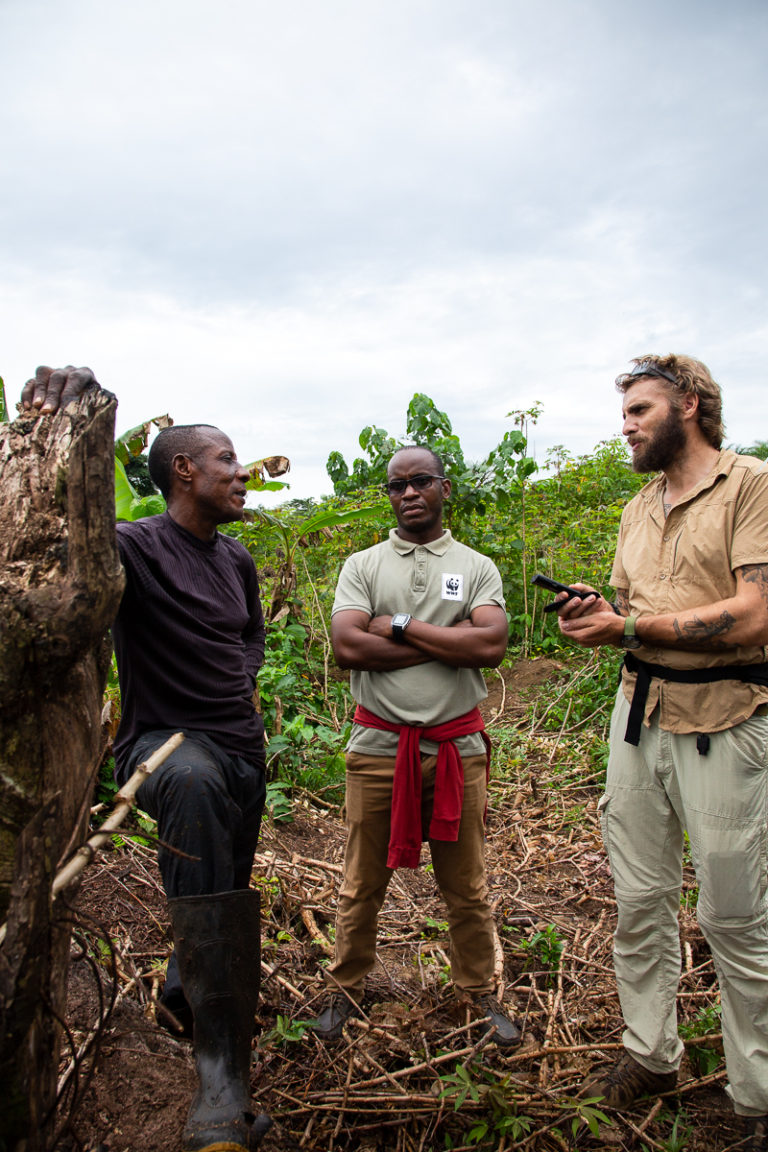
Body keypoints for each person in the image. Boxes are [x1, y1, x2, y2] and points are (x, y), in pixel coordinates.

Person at [21, 366, 272, 1152]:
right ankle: (220, 1093)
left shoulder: (235, 559)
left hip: (241, 748)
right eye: (228, 460)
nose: (243, 472)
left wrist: (242, 684)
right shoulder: (133, 546)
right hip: (166, 744)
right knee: (192, 791)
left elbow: (251, 635)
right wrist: (57, 425)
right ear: (184, 470)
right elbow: (63, 539)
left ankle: (182, 991)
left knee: (224, 888)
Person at [554, 355, 768, 1149]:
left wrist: (631, 627)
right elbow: (629, 606)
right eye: (624, 413)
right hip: (639, 717)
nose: (627, 426)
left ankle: (759, 1096)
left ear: (689, 404)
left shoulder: (751, 486)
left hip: (726, 715)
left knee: (735, 915)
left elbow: (755, 616)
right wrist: (597, 614)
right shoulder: (639, 507)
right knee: (641, 899)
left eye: (640, 410)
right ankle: (650, 1053)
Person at [312, 445, 521, 1046]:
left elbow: (491, 646)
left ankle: (479, 993)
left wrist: (402, 627)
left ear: (443, 488)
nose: (408, 493)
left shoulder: (475, 566)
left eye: (421, 481)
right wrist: (448, 640)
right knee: (361, 882)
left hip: (458, 749)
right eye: (396, 485)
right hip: (379, 747)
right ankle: (346, 986)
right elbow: (349, 647)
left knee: (467, 885)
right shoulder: (363, 565)